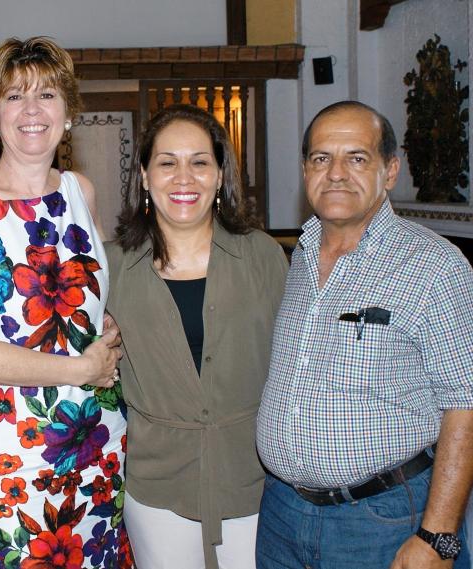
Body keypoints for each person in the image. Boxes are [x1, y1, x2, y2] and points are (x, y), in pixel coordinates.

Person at [255, 100, 473, 568]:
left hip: (380, 519)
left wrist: (437, 538)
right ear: (306, 170)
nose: (336, 173)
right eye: (321, 158)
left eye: (357, 157)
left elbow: (470, 411)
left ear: (390, 171)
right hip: (282, 512)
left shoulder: (435, 266)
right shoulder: (298, 258)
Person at [0, 37, 132, 568]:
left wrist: (106, 326)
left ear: (68, 112)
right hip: (5, 455)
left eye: (46, 94)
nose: (32, 110)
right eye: (15, 96)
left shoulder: (81, 191)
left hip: (95, 439)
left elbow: (87, 302)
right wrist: (80, 368)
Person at [105, 104, 287, 569]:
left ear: (220, 174)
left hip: (253, 479)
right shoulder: (110, 267)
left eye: (199, 162)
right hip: (158, 485)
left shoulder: (263, 256)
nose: (183, 177)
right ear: (145, 176)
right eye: (167, 162)